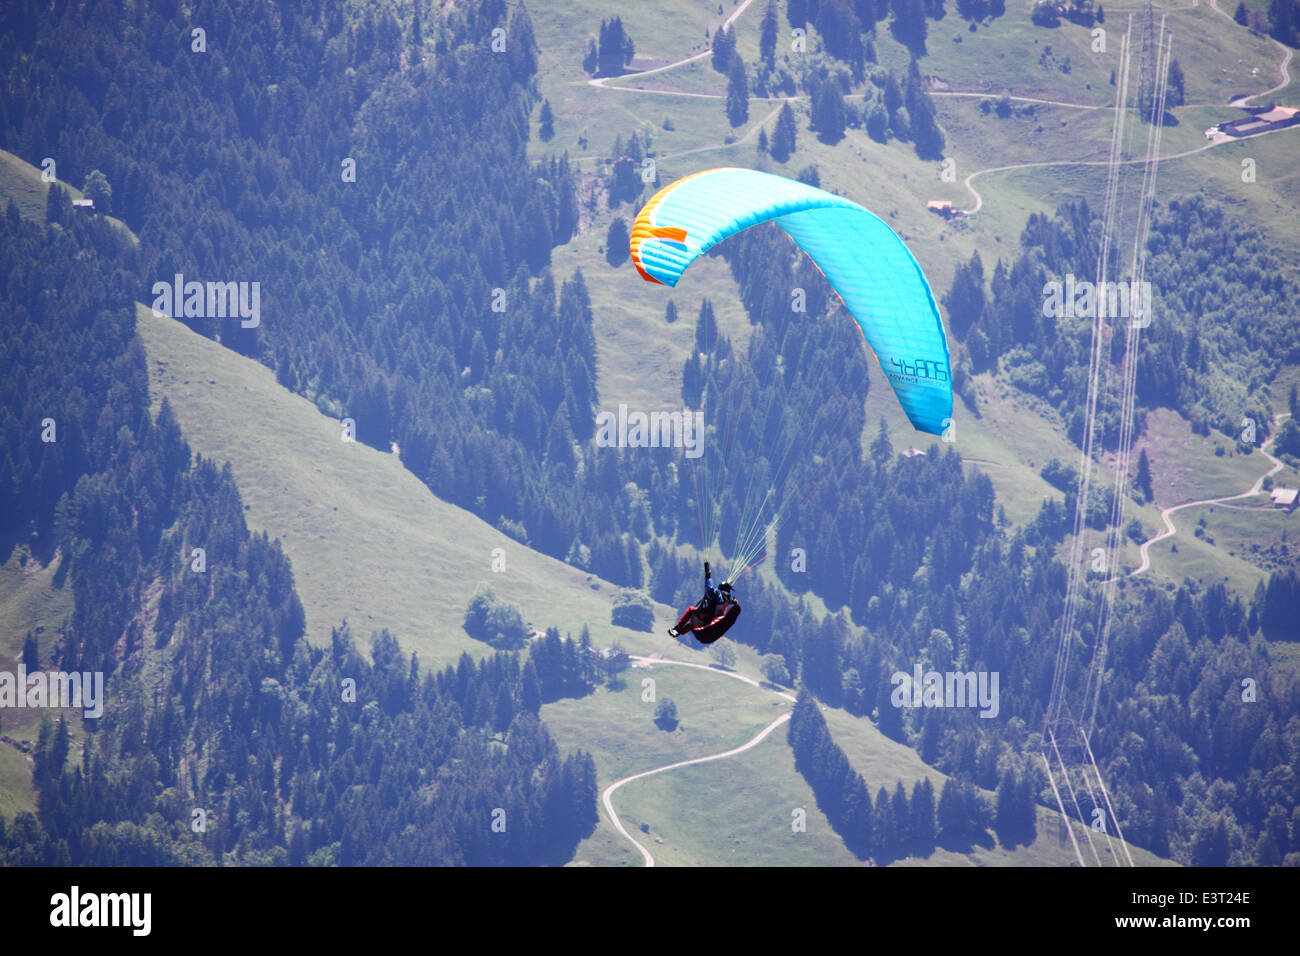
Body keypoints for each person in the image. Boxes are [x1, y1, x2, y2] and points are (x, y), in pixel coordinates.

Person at [668, 561, 738, 642]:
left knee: (691, 610)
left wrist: (708, 576)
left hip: (708, 615)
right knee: (693, 622)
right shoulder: (727, 600)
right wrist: (733, 602)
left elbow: (709, 590)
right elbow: (725, 603)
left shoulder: (718, 595)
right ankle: (678, 632)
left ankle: (676, 629)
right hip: (710, 621)